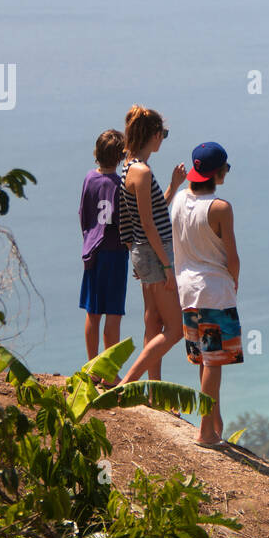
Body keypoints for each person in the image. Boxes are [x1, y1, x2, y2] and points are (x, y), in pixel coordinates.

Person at [170, 141, 241, 445]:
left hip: (186, 290)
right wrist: (233, 284)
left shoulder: (178, 200)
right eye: (226, 167)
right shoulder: (221, 208)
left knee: (202, 360)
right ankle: (205, 432)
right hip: (214, 291)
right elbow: (232, 257)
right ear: (218, 172)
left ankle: (212, 423)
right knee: (214, 360)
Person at [118, 105, 186, 383]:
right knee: (176, 329)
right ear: (154, 135)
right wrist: (167, 266)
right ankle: (127, 384)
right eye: (164, 134)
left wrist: (173, 186)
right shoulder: (142, 172)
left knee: (153, 321)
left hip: (143, 252)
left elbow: (148, 213)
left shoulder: (129, 167)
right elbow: (148, 223)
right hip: (155, 253)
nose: (163, 139)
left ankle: (154, 390)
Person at [79, 129, 128, 367]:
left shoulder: (89, 178)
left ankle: (92, 365)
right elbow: (124, 223)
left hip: (92, 252)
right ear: (120, 156)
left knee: (93, 312)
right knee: (114, 314)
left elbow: (83, 213)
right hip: (115, 253)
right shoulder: (119, 185)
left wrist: (88, 238)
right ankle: (109, 370)